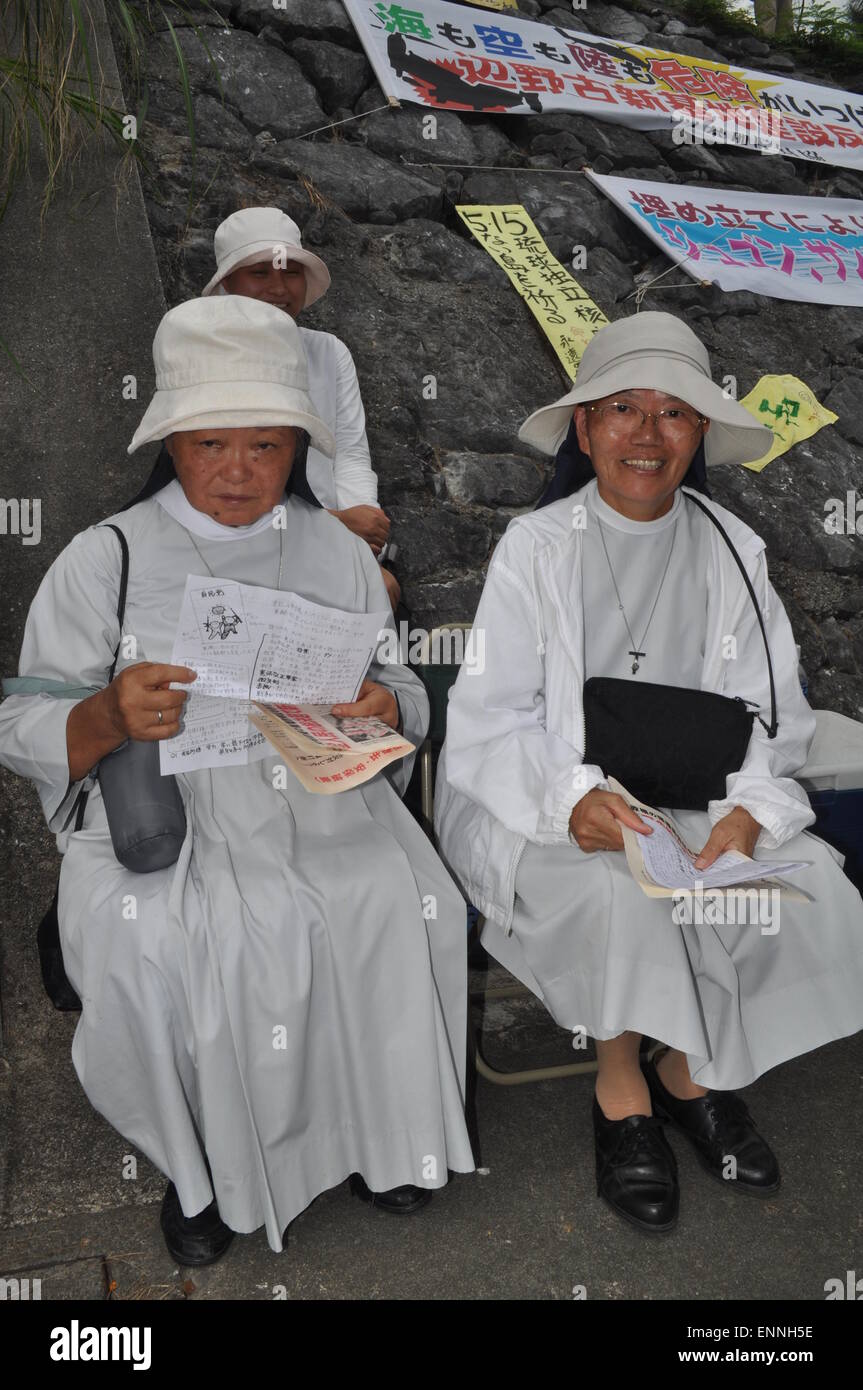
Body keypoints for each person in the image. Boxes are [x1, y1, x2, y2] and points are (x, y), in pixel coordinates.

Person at [0, 295, 474, 1264]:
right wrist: (104, 714)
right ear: (169, 437)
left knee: (400, 896)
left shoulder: (338, 552)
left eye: (265, 445)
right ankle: (204, 1166)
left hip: (318, 787)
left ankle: (382, 1136)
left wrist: (384, 706)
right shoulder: (108, 559)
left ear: (297, 443)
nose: (237, 471)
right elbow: (21, 720)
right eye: (210, 442)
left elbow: (396, 689)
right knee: (162, 939)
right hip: (174, 802)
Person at [434, 311, 863, 1234]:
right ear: (584, 429)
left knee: (806, 886)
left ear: (699, 433)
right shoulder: (537, 550)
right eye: (622, 409)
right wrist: (572, 799)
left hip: (689, 790)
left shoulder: (733, 554)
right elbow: (488, 720)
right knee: (624, 898)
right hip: (534, 797)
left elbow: (775, 718)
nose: (646, 433)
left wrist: (748, 815)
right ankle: (621, 1084)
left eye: (673, 414)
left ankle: (692, 1071)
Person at [201, 206, 401, 610]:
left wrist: (365, 523)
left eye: (291, 272)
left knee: (381, 588)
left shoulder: (328, 352)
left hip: (327, 539)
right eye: (260, 273)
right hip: (233, 543)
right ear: (227, 284)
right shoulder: (204, 357)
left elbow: (349, 453)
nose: (278, 287)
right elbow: (216, 484)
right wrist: (335, 524)